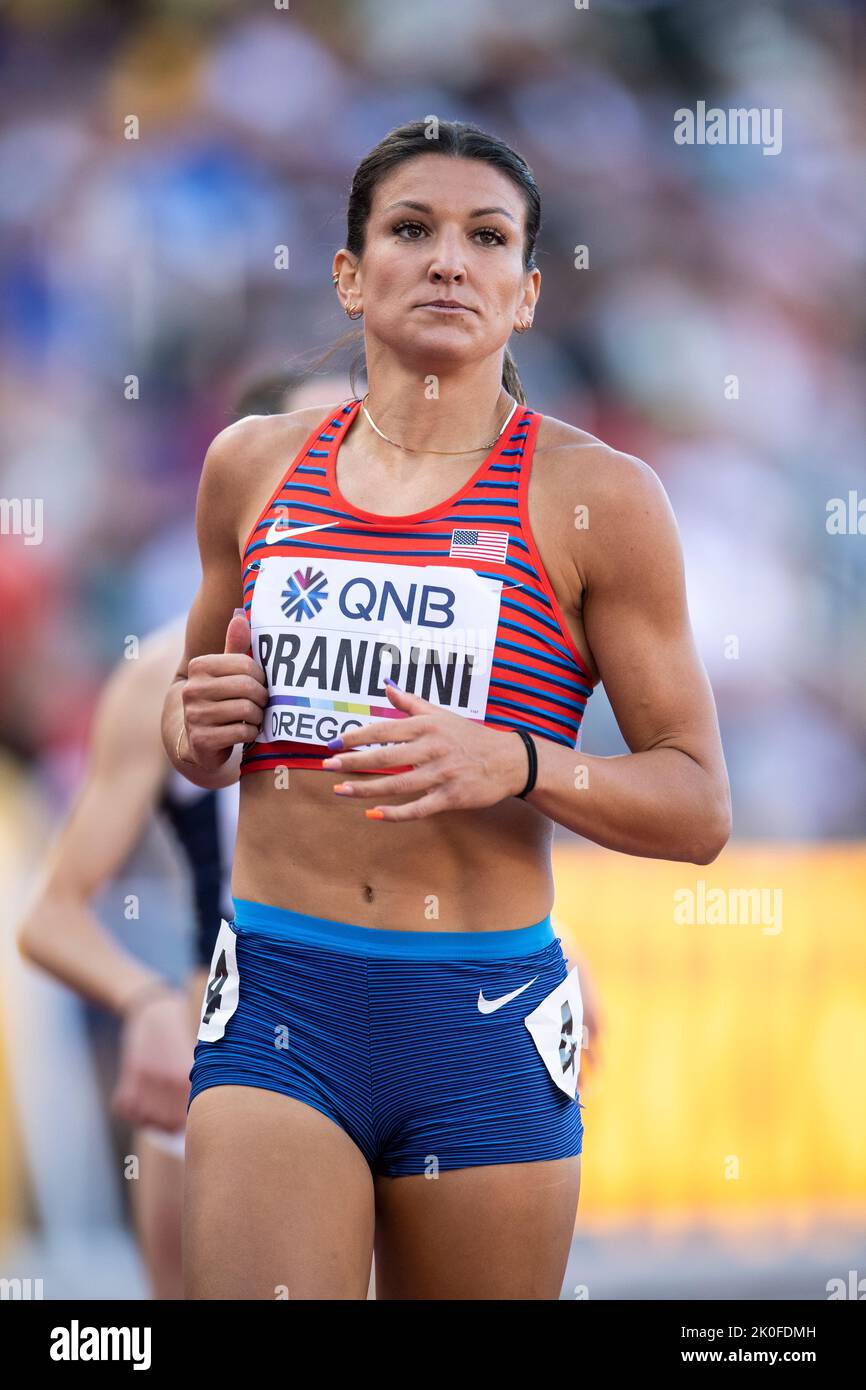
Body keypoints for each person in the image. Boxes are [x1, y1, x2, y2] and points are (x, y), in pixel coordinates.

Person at [163, 119, 731, 1301]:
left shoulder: (594, 497)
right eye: (409, 230)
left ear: (525, 294)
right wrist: (201, 724)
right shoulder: (253, 465)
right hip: (283, 995)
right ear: (348, 271)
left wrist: (517, 764)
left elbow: (694, 804)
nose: (446, 261)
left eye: (486, 239)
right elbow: (194, 731)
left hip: (478, 1018)